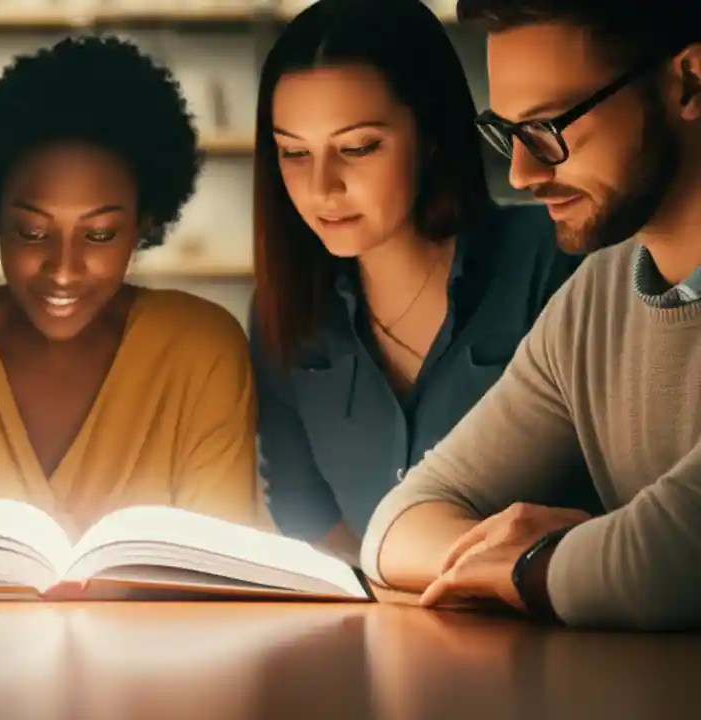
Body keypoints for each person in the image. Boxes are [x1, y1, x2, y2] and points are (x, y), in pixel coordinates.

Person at [361, 0, 701, 630]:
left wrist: (532, 564)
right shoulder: (595, 297)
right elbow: (399, 523)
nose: (521, 173)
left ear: (689, 83)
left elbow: (668, 561)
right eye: (508, 133)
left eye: (548, 127)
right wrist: (562, 563)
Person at [0, 36, 260, 537]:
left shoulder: (202, 347)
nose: (63, 270)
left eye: (99, 235)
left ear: (145, 223)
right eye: (33, 233)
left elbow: (214, 568)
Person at [250, 0, 585, 567]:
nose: (322, 186)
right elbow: (306, 516)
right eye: (294, 152)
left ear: (430, 135)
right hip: (382, 639)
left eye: (357, 148)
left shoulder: (552, 265)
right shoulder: (288, 310)